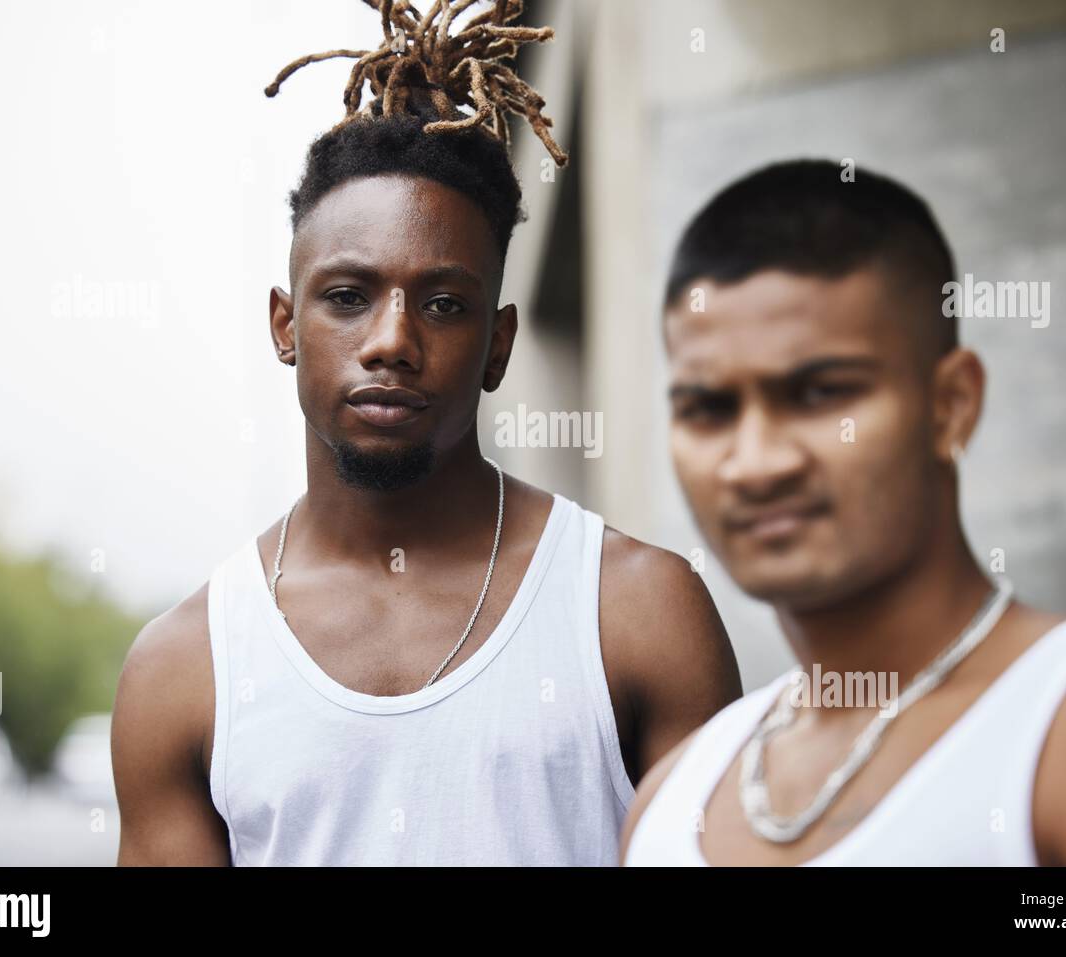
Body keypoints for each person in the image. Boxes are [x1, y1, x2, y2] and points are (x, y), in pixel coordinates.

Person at [112, 0, 740, 867]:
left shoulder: (637, 611)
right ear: (284, 326)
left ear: (500, 343)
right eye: (347, 296)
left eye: (443, 303)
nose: (392, 341)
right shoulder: (185, 667)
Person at [622, 159, 1066, 865]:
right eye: (709, 409)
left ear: (951, 404)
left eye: (820, 394)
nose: (757, 461)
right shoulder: (672, 802)